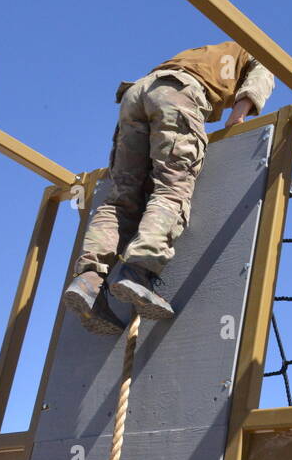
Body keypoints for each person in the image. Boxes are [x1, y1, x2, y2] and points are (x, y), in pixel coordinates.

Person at [63, 42, 274, 333]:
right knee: (172, 187)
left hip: (135, 93)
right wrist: (238, 118)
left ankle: (89, 280)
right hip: (179, 94)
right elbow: (260, 79)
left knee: (121, 197)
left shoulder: (208, 51)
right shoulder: (253, 50)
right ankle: (137, 270)